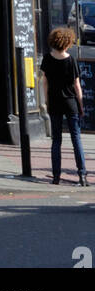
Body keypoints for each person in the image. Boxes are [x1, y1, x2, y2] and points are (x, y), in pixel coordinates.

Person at [40, 27, 88, 187]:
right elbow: (77, 86)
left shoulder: (47, 59)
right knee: (76, 139)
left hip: (54, 102)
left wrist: (46, 101)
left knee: (56, 141)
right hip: (70, 102)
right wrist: (81, 105)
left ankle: (56, 176)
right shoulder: (71, 60)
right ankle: (82, 174)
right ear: (67, 42)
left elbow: (44, 82)